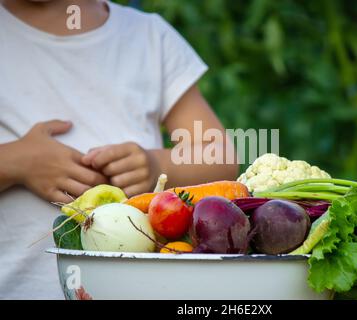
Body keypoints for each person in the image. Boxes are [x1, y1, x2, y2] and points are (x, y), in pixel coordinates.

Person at [0, 0, 238, 299]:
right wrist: (15, 162)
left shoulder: (148, 37)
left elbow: (219, 154)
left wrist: (157, 166)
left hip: (143, 292)